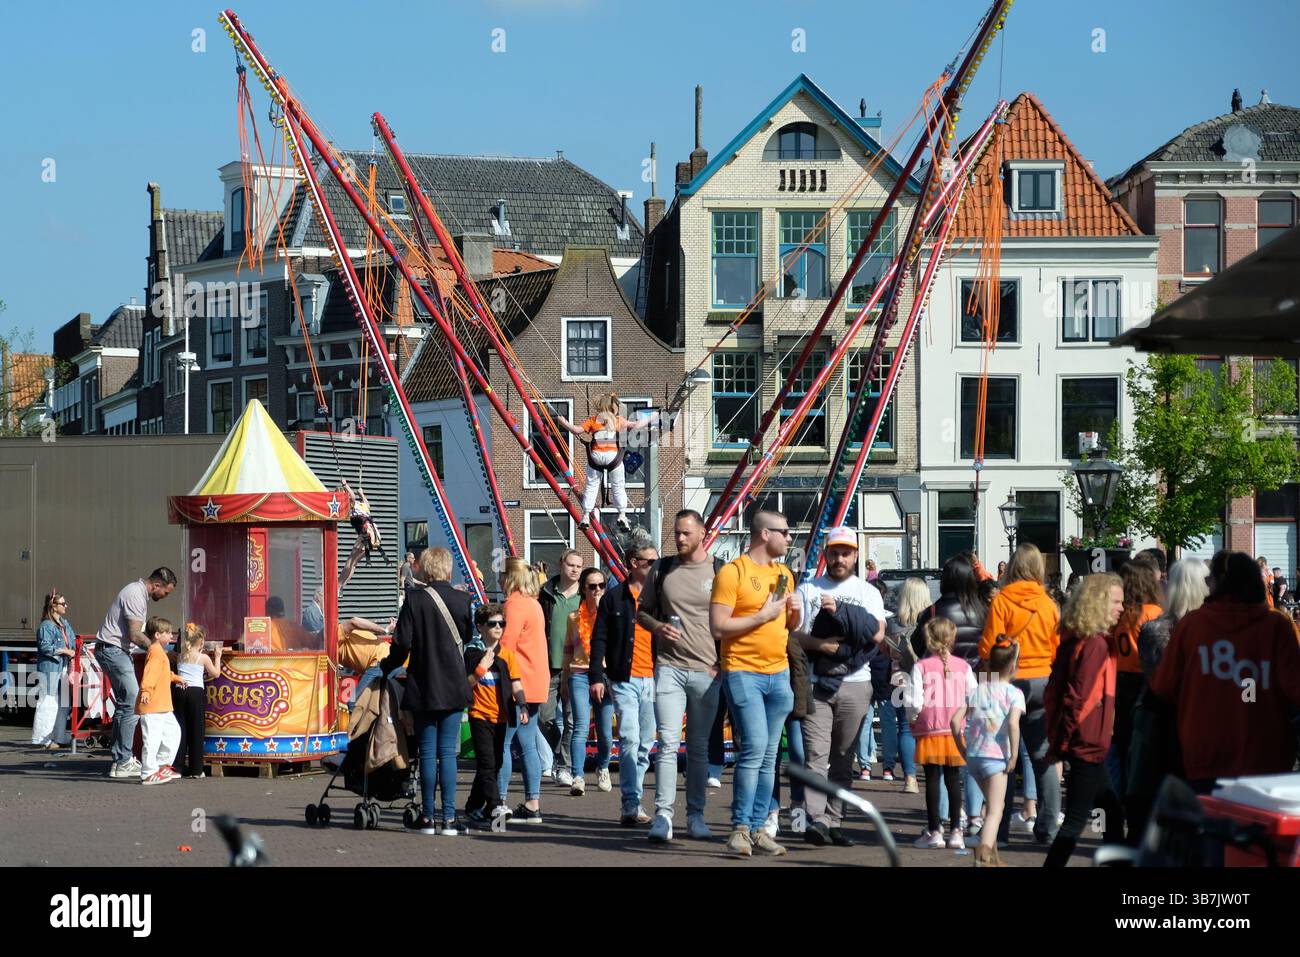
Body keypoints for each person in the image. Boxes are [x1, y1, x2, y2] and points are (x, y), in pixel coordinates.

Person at [1151, 551, 1300, 791]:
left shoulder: (1192, 626)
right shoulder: (1277, 627)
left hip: (1204, 755)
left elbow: (1163, 687)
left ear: (1220, 584)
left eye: (1210, 580)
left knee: (1210, 825)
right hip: (1266, 761)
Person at [710, 510, 801, 858]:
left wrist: (795, 609)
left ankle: (760, 828)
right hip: (742, 670)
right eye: (785, 532)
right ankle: (740, 828)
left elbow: (791, 625)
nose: (789, 538)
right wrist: (760, 616)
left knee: (769, 755)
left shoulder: (783, 574)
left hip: (778, 673)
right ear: (764, 534)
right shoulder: (734, 573)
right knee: (755, 748)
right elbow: (718, 627)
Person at [638, 510, 724, 843]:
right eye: (676, 533)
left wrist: (721, 663)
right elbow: (641, 612)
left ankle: (696, 816)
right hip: (669, 669)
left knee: (699, 748)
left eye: (686, 533)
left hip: (707, 669)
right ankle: (663, 816)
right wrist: (657, 626)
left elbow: (733, 618)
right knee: (668, 744)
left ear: (703, 533)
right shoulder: (661, 569)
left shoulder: (720, 570)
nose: (679, 538)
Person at [795, 526, 883, 847]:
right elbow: (796, 635)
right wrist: (827, 645)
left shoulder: (868, 592)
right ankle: (816, 820)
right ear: (825, 555)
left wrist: (845, 623)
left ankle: (834, 821)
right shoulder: (808, 590)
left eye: (846, 553)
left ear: (856, 556)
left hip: (856, 684)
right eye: (834, 552)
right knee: (816, 756)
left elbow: (877, 634)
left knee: (843, 759)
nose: (839, 558)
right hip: (818, 684)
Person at [383, 546, 473, 836]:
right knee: (448, 753)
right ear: (447, 569)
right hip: (453, 685)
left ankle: (427, 817)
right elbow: (468, 636)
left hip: (423, 685)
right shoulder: (462, 599)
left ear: (424, 568)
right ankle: (449, 819)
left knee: (426, 753)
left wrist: (388, 666)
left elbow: (402, 642)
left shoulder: (414, 599)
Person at [979, 543, 1062, 846]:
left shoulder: (1002, 601)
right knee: (1043, 755)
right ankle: (1049, 826)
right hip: (1043, 680)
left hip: (1008, 680)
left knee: (1000, 755)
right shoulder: (1049, 604)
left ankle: (997, 831)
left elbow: (990, 648)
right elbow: (1057, 646)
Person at [1043, 573, 1126, 867]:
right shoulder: (1096, 645)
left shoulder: (1076, 639)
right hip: (1087, 743)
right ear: (1099, 603)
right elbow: (1080, 698)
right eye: (1116, 602)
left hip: (1089, 744)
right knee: (1075, 824)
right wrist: (1063, 742)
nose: (1121, 608)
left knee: (1112, 815)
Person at [1125, 558, 1208, 840]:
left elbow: (1154, 679)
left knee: (1151, 795)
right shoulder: (1212, 633)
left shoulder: (1155, 630)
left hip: (1159, 721)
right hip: (1199, 722)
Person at [589, 544, 660, 826]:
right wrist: (596, 676)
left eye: (658, 562)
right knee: (629, 738)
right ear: (633, 562)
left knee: (646, 743)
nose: (656, 566)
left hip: (655, 679)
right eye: (650, 562)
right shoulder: (614, 599)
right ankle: (631, 804)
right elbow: (599, 639)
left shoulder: (661, 599)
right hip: (624, 679)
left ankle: (634, 799)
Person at [918, 553, 988, 828]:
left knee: (942, 754)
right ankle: (974, 815)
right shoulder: (982, 609)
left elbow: (919, 643)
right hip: (976, 685)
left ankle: (945, 814)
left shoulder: (934, 611)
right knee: (972, 751)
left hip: (940, 689)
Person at [95, 568, 177, 778]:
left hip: (113, 651)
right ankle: (123, 760)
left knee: (125, 704)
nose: (165, 597)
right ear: (157, 585)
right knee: (131, 701)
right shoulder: (135, 594)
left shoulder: (137, 593)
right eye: (165, 592)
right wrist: (158, 649)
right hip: (114, 650)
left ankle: (120, 760)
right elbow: (134, 634)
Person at [952, 637, 1023, 866]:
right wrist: (1013, 756)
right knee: (996, 810)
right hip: (996, 758)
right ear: (1013, 667)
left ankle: (993, 856)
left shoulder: (978, 689)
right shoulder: (1014, 694)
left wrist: (962, 748)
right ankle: (982, 857)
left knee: (990, 806)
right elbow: (1013, 724)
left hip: (974, 756)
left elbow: (955, 721)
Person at [1107, 556, 1164, 840]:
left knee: (1121, 745)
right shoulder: (1153, 612)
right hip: (1143, 681)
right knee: (1141, 750)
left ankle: (1123, 805)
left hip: (1119, 682)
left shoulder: (1121, 614)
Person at [907, 617, 976, 849]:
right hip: (955, 730)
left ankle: (935, 831)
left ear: (928, 638)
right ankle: (957, 830)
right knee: (954, 780)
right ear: (952, 638)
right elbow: (973, 697)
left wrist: (913, 720)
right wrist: (966, 718)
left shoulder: (921, 666)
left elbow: (914, 702)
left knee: (932, 780)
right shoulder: (963, 666)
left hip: (930, 728)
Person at [463, 603, 528, 830]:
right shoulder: (472, 652)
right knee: (487, 762)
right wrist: (481, 669)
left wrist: (523, 706)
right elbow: (466, 685)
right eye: (493, 624)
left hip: (501, 716)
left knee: (496, 762)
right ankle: (495, 805)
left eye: (502, 623)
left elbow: (517, 683)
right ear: (480, 627)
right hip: (479, 714)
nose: (499, 627)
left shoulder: (507, 655)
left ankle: (472, 807)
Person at [496, 557, 550, 823]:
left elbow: (505, 646)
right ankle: (532, 802)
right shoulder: (534, 604)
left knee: (503, 744)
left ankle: (500, 801)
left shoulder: (514, 605)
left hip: (518, 684)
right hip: (537, 680)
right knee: (528, 745)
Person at [555, 394, 646, 532]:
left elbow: (576, 430)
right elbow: (635, 425)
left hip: (596, 458)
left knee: (591, 486)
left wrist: (564, 423)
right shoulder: (618, 420)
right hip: (613, 458)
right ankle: (622, 514)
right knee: (618, 485)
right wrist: (651, 419)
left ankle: (585, 516)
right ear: (613, 407)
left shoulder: (593, 420)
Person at [562, 568, 615, 796]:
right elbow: (568, 650)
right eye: (592, 586)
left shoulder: (612, 616)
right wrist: (565, 678)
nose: (597, 591)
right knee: (580, 726)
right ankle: (578, 776)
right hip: (580, 674)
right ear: (583, 589)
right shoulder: (574, 618)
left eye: (601, 586)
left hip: (604, 674)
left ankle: (602, 768)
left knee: (605, 732)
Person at [539, 549, 583, 786]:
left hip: (576, 667)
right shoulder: (545, 593)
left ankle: (564, 767)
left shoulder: (585, 596)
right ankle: (560, 754)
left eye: (579, 566)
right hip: (549, 665)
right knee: (543, 717)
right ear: (561, 564)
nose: (575, 569)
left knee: (571, 720)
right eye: (571, 565)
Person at [881, 577, 927, 793]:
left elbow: (886, 650)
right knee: (930, 727)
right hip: (927, 677)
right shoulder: (930, 621)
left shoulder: (892, 623)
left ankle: (910, 778)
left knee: (904, 727)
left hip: (899, 677)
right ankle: (930, 772)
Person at [137, 617, 184, 785]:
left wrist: (175, 678)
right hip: (153, 705)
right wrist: (146, 691)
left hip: (163, 705)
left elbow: (162, 673)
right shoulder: (156, 651)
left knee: (173, 732)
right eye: (167, 633)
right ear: (157, 634)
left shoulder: (159, 652)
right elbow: (150, 674)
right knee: (152, 739)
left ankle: (162, 765)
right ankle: (148, 772)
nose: (171, 636)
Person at [173, 623, 221, 778]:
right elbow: (216, 673)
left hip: (180, 691)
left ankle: (178, 767)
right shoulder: (203, 658)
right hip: (195, 692)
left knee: (181, 729)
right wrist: (218, 657)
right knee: (196, 730)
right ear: (200, 641)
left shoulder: (180, 656)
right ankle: (196, 769)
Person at [33, 591, 76, 749]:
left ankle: (57, 737)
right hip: (50, 668)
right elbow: (45, 647)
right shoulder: (46, 626)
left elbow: (72, 641)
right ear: (53, 606)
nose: (66, 606)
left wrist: (72, 653)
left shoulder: (64, 624)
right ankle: (43, 739)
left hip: (63, 667)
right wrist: (65, 651)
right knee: (48, 702)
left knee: (64, 703)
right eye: (63, 604)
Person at [340, 479, 387, 589]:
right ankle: (342, 586)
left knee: (350, 562)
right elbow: (365, 502)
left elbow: (352, 496)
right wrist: (361, 493)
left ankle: (338, 586)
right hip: (374, 535)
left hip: (366, 534)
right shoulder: (361, 507)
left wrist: (345, 485)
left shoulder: (352, 506)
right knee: (353, 564)